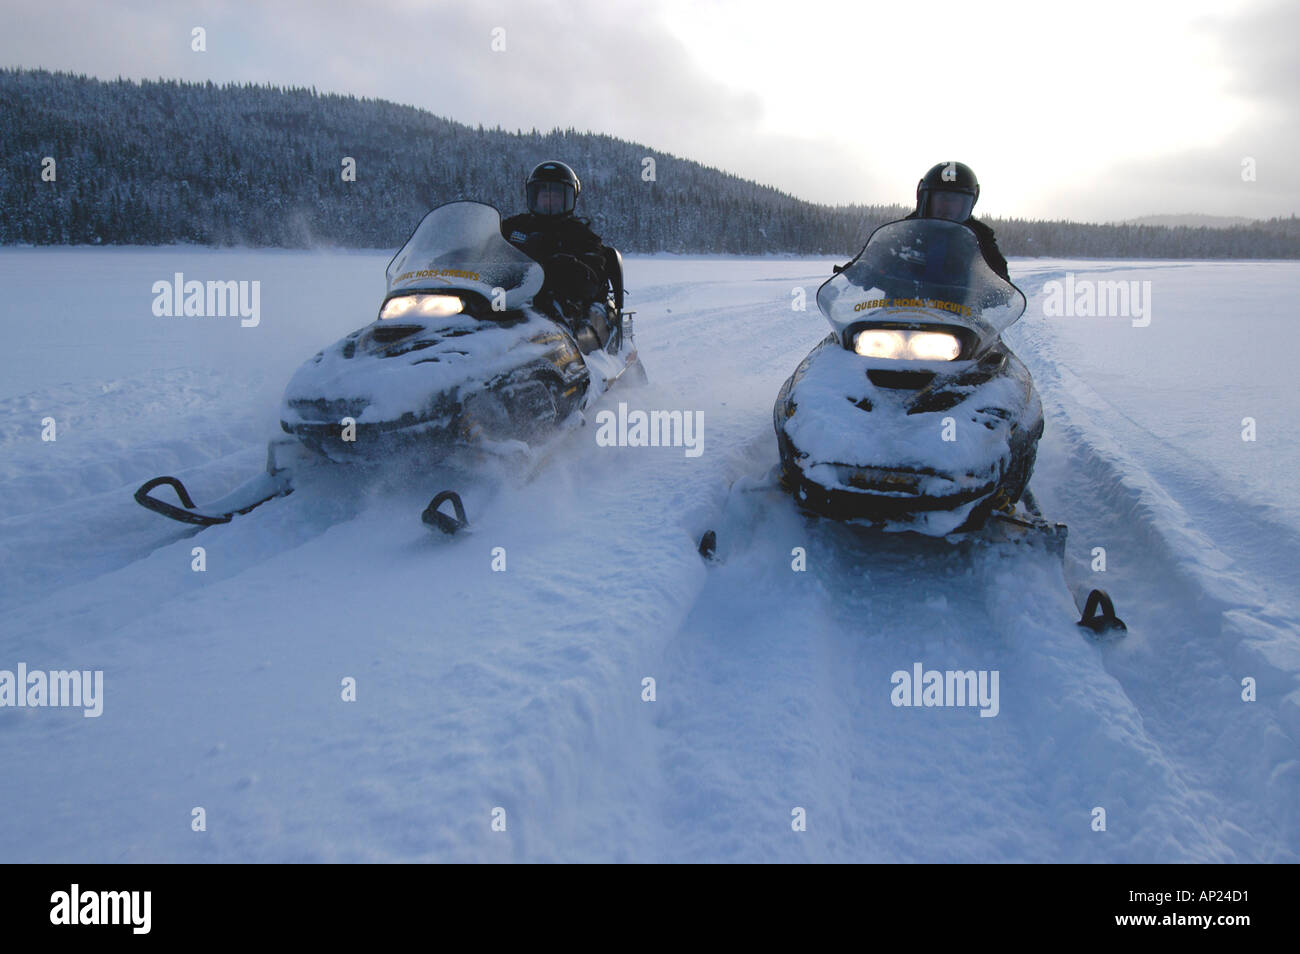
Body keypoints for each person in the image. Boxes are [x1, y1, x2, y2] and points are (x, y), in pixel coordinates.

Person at [501, 161, 624, 352]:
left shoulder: (580, 235)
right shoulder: (513, 228)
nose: (549, 201)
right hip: (510, 298)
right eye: (545, 195)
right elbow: (483, 243)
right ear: (534, 196)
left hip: (561, 307)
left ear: (568, 198)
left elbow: (593, 277)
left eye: (556, 195)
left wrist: (565, 264)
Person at [906, 161, 1009, 281]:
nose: (947, 205)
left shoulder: (980, 237)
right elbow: (881, 264)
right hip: (904, 299)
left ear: (968, 203)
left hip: (958, 300)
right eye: (941, 197)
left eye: (955, 199)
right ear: (927, 199)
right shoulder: (908, 230)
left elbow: (1000, 282)